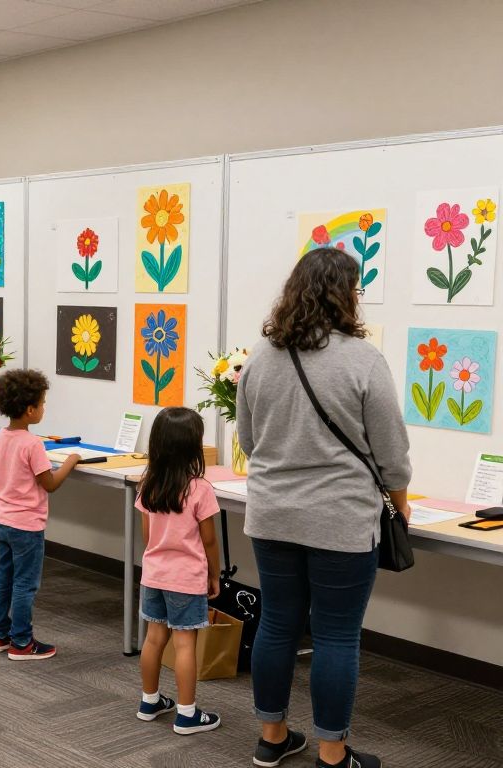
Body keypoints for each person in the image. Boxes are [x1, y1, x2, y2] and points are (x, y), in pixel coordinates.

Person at [236, 248, 412, 768]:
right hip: (340, 520)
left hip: (270, 515)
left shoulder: (260, 355)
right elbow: (392, 455)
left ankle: (272, 738)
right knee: (336, 634)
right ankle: (333, 753)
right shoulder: (363, 359)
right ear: (347, 294)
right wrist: (399, 507)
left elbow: (248, 438)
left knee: (276, 625)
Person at [136, 407, 222, 735]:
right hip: (185, 578)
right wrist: (213, 575)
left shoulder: (148, 484)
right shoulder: (199, 489)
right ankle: (187, 714)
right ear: (193, 447)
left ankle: (149, 701)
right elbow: (210, 540)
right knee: (185, 643)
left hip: (154, 574)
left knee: (154, 638)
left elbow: (147, 537)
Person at [0, 369, 79, 660]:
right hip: (27, 526)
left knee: (4, 578)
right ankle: (22, 643)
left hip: (2, 520)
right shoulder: (33, 444)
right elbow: (49, 483)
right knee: (26, 584)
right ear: (30, 410)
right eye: (42, 403)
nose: (43, 408)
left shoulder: (0, 437)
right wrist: (71, 462)